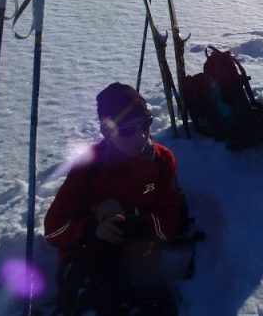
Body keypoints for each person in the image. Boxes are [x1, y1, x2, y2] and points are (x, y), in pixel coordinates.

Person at [44, 82, 184, 315]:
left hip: (135, 255)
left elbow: (170, 221)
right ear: (108, 132)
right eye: (129, 130)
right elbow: (53, 230)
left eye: (146, 124)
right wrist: (93, 229)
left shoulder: (161, 160)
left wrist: (138, 221)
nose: (141, 135)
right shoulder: (88, 167)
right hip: (86, 257)